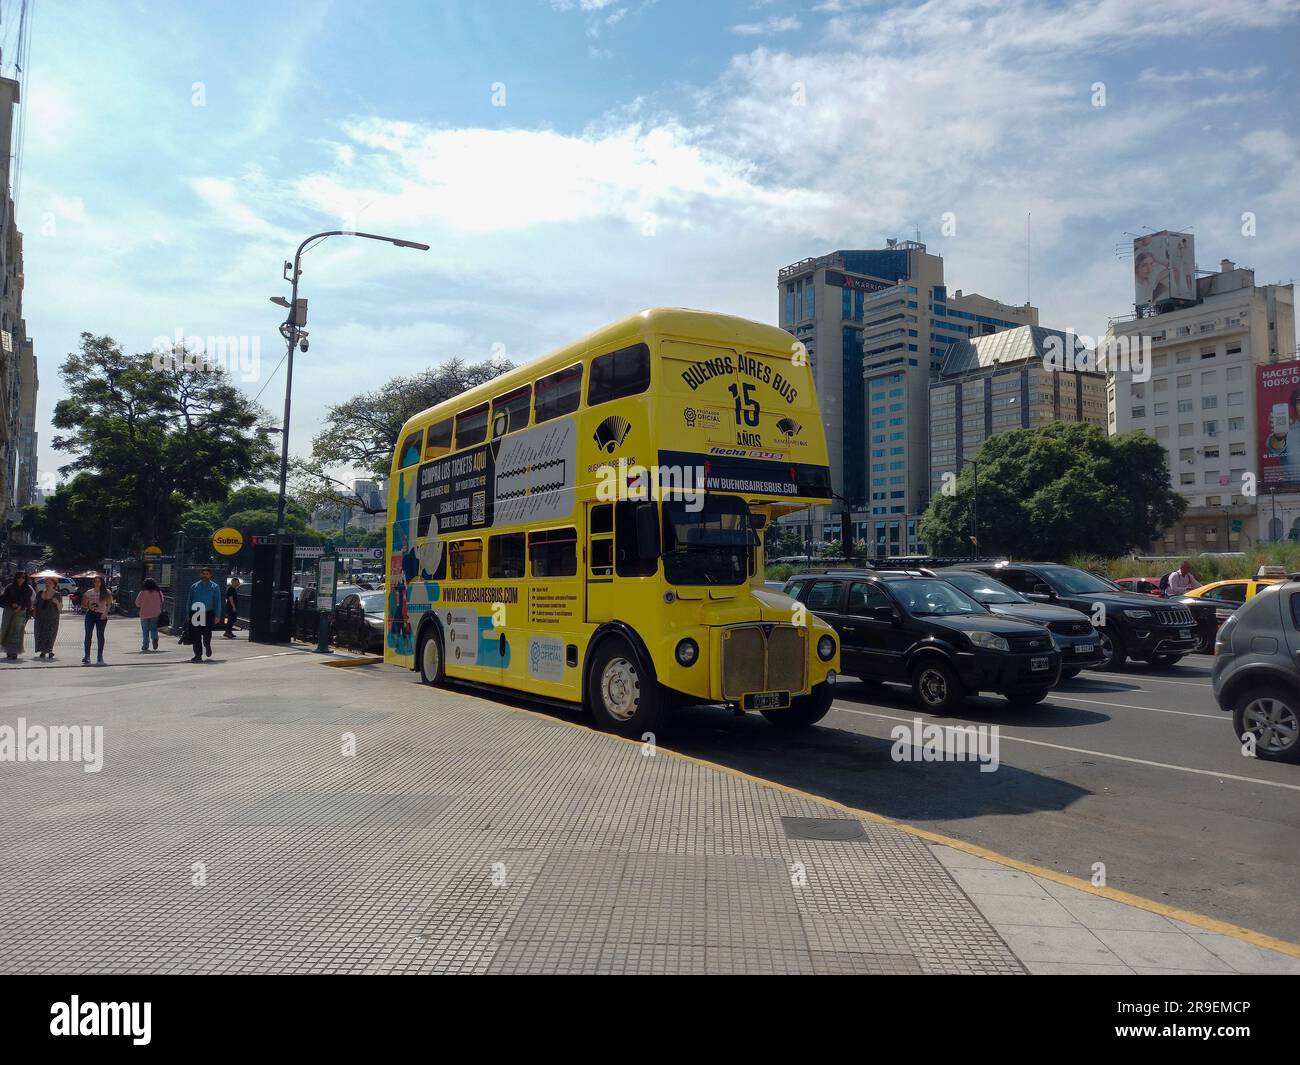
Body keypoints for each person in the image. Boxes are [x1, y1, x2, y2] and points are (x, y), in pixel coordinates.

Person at [185, 566, 222, 662]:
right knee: (195, 635)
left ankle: (207, 645)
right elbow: (189, 600)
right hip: (196, 613)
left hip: (208, 613)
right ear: (200, 574)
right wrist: (188, 614)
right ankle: (198, 655)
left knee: (207, 633)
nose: (205, 576)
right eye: (203, 574)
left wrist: (217, 615)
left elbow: (217, 601)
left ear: (210, 575)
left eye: (207, 574)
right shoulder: (194, 586)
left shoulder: (215, 587)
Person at [1, 570, 34, 659]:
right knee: (6, 629)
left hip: (21, 611)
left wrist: (20, 607)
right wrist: (12, 604)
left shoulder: (28, 589)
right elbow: (3, 598)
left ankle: (15, 651)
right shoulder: (10, 587)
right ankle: (8, 650)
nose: (21, 579)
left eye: (23, 577)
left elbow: (28, 601)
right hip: (9, 610)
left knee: (17, 631)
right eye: (19, 577)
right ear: (16, 578)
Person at [81, 574, 113, 664]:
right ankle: (87, 656)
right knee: (88, 635)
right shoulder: (89, 592)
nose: (97, 583)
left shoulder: (106, 592)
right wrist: (88, 605)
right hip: (90, 614)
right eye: (95, 581)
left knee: (100, 635)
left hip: (101, 615)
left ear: (102, 582)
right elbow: (83, 604)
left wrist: (105, 613)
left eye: (99, 581)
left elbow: (109, 604)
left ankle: (100, 656)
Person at [33, 575, 63, 659]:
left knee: (50, 634)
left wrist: (57, 602)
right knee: (40, 633)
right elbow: (34, 604)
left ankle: (50, 650)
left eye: (49, 582)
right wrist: (34, 611)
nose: (47, 584)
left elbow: (60, 608)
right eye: (46, 582)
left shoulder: (57, 594)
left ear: (54, 584)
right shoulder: (40, 593)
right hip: (40, 617)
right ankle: (43, 651)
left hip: (52, 618)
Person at [135, 577, 164, 652]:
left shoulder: (142, 592)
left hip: (144, 613)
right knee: (154, 628)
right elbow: (162, 601)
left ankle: (145, 645)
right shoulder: (158, 592)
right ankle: (155, 638)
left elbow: (137, 603)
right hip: (155, 613)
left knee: (145, 630)